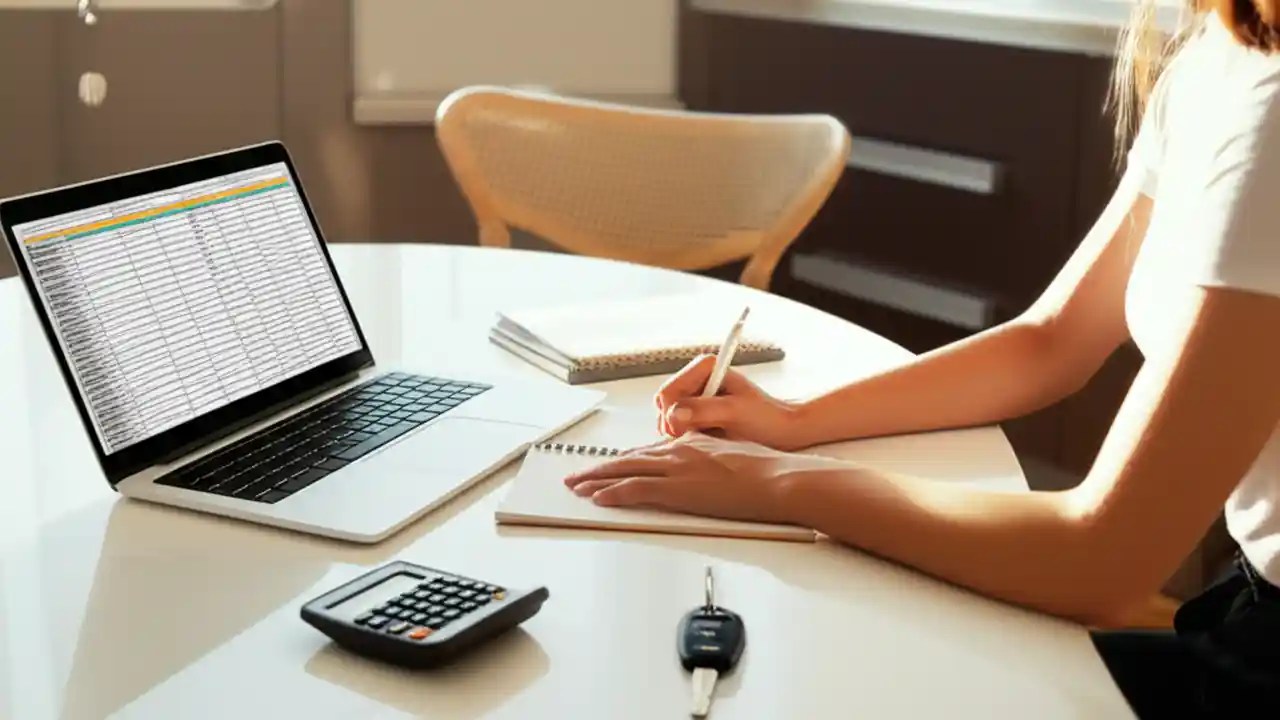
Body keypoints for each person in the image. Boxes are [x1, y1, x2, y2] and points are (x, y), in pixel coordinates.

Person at [563, 0, 1280, 715]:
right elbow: (1052, 341)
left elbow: (1103, 559)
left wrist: (779, 483)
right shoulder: (1218, 60)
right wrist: (795, 420)